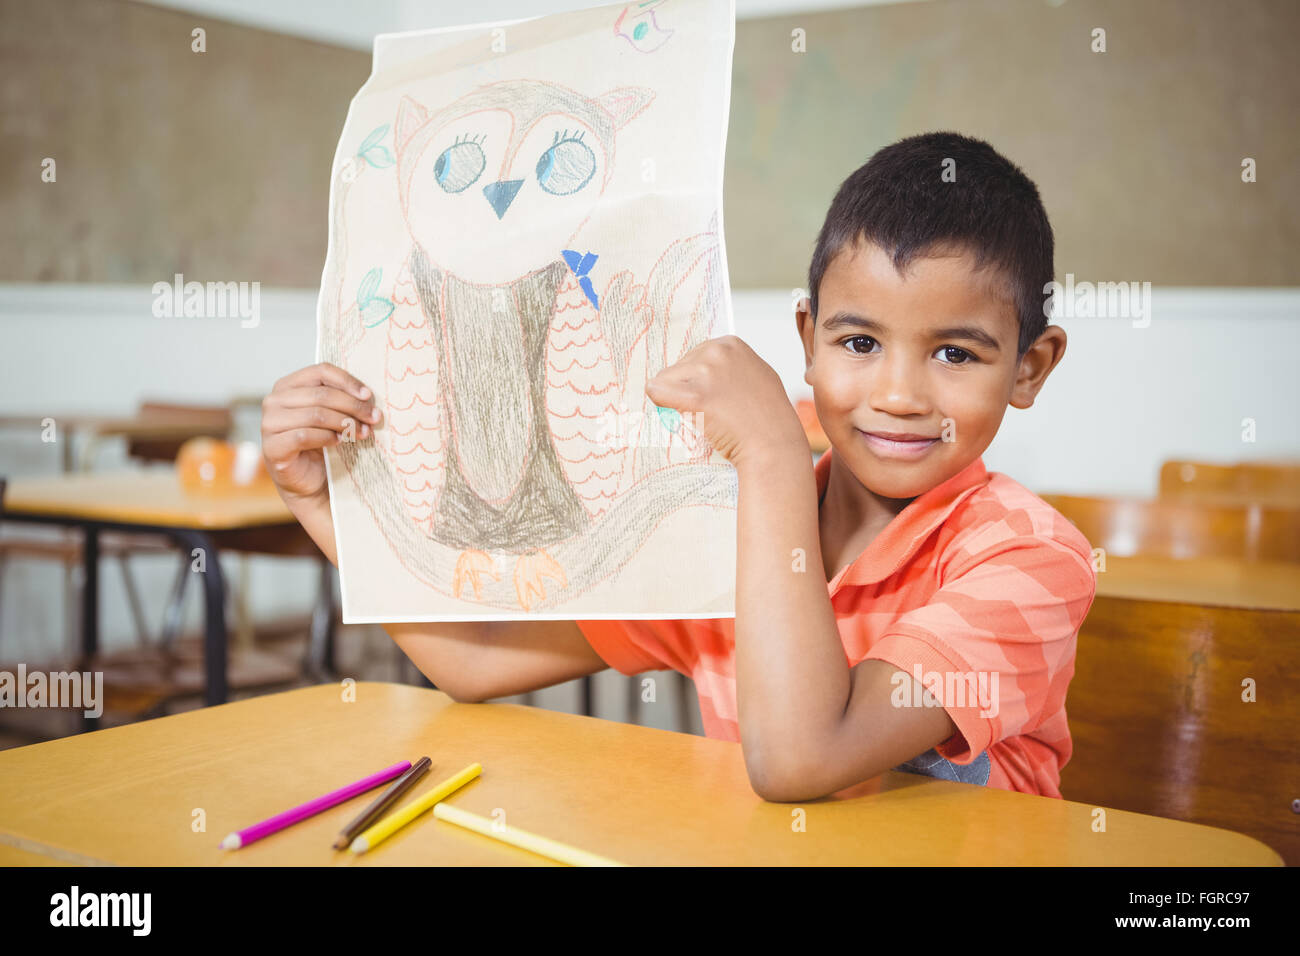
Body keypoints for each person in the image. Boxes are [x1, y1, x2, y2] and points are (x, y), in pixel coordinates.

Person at [262, 131, 1095, 802]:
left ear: (1029, 367)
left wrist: (769, 451)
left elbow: (802, 760)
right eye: (860, 343)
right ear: (807, 342)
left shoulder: (1031, 561)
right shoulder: (724, 536)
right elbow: (475, 661)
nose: (900, 394)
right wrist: (323, 503)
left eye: (956, 352)